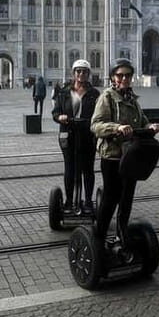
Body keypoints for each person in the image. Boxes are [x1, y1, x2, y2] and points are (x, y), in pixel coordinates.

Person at [91, 59, 159, 250]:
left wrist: (150, 126)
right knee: (110, 197)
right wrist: (117, 128)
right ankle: (99, 237)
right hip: (112, 156)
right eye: (120, 75)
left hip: (131, 157)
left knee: (126, 198)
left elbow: (142, 121)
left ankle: (122, 235)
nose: (124, 78)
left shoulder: (132, 98)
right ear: (113, 77)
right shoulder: (106, 97)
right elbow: (96, 125)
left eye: (127, 75)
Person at [53, 60, 101, 213]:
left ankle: (87, 201)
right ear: (73, 73)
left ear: (88, 74)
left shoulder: (94, 94)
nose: (81, 74)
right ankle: (68, 201)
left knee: (88, 168)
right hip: (69, 134)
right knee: (70, 168)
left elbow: (100, 114)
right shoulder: (64, 92)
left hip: (88, 135)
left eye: (84, 72)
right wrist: (60, 117)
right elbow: (55, 112)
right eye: (78, 71)